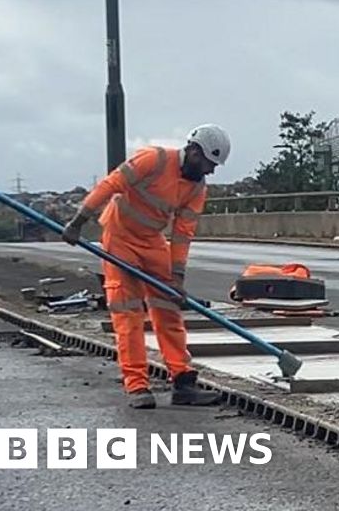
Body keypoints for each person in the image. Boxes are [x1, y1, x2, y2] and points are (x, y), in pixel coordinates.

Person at [62, 124, 232, 409]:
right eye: (207, 164)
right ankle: (137, 385)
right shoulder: (153, 160)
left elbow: (182, 233)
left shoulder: (197, 188)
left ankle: (183, 381)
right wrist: (78, 222)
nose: (210, 171)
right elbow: (111, 184)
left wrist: (176, 277)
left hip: (152, 242)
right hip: (119, 238)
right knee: (128, 313)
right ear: (193, 151)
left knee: (168, 308)